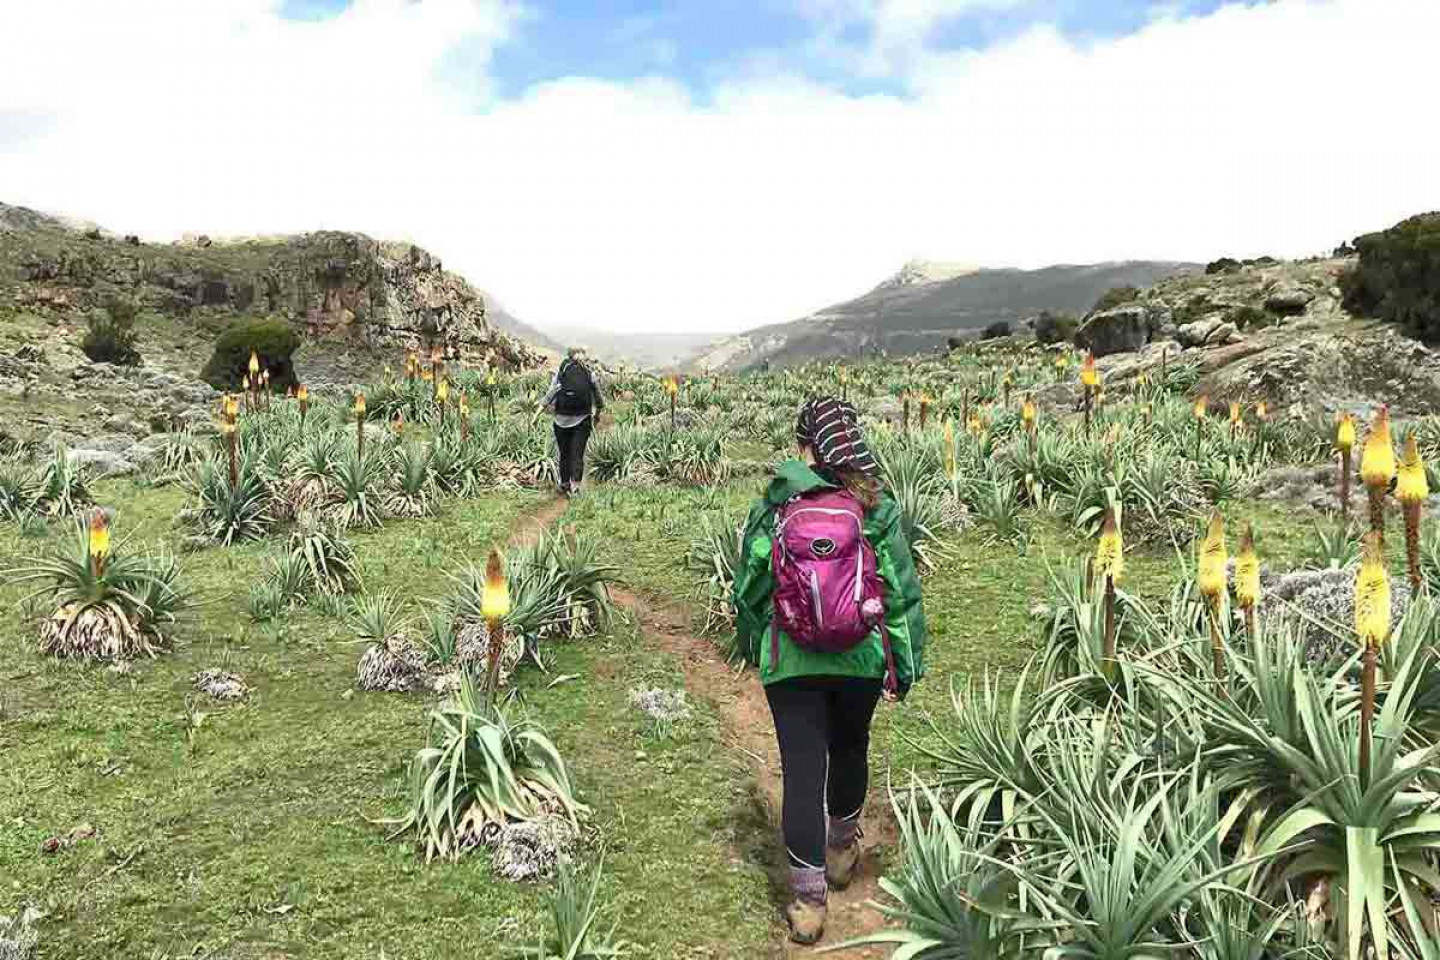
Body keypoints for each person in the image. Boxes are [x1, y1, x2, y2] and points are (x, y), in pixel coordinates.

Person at [731, 396, 926, 945]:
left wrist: (755, 644)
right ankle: (841, 851)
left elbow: (752, 584)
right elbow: (901, 593)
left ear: (807, 446)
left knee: (801, 767)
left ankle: (809, 901)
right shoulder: (875, 506)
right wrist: (902, 666)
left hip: (791, 661)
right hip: (859, 657)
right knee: (850, 747)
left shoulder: (777, 501)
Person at [538, 348, 604, 496]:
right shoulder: (589, 374)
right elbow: (599, 398)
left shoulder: (560, 373)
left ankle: (564, 483)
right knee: (578, 452)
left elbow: (550, 394)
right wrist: (597, 413)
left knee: (564, 452)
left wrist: (539, 413)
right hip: (583, 418)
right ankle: (575, 486)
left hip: (560, 419)